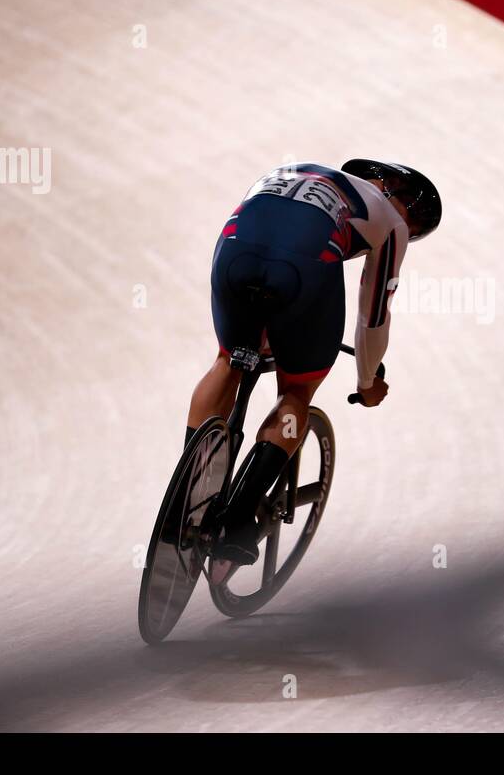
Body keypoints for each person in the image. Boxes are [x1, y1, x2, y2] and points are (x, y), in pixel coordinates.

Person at [185, 160, 442, 567]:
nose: (407, 228)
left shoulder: (291, 169)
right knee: (297, 388)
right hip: (301, 273)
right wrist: (367, 380)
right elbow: (373, 313)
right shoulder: (391, 222)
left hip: (234, 255)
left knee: (228, 360)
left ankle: (188, 488)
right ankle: (237, 519)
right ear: (404, 204)